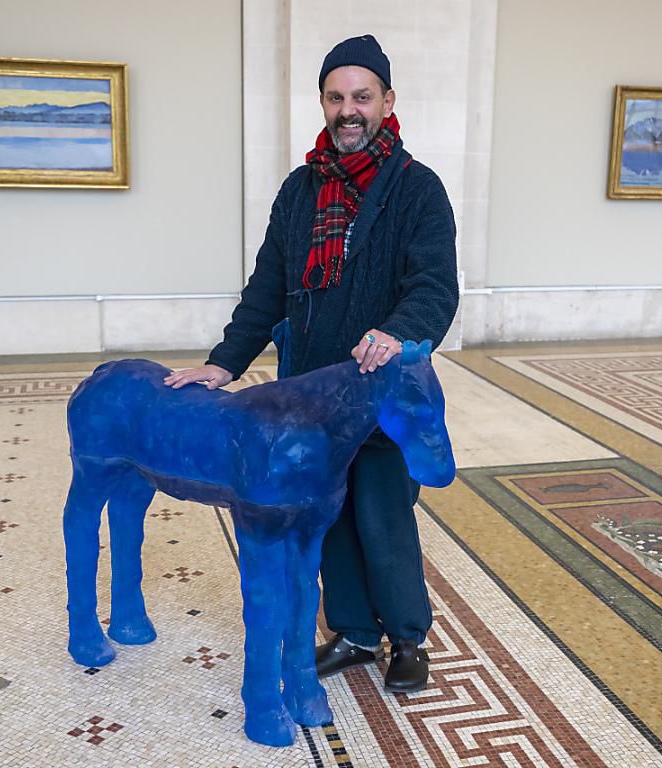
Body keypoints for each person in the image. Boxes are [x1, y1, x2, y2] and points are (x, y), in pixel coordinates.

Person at [163, 34, 459, 693]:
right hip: (309, 395)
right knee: (328, 518)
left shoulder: (418, 190)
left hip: (381, 390)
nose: (348, 109)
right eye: (336, 97)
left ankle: (407, 638)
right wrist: (222, 366)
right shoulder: (300, 190)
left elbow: (434, 287)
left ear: (387, 99)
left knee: (383, 517)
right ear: (323, 102)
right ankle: (353, 632)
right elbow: (267, 288)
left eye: (362, 96)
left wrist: (397, 332)